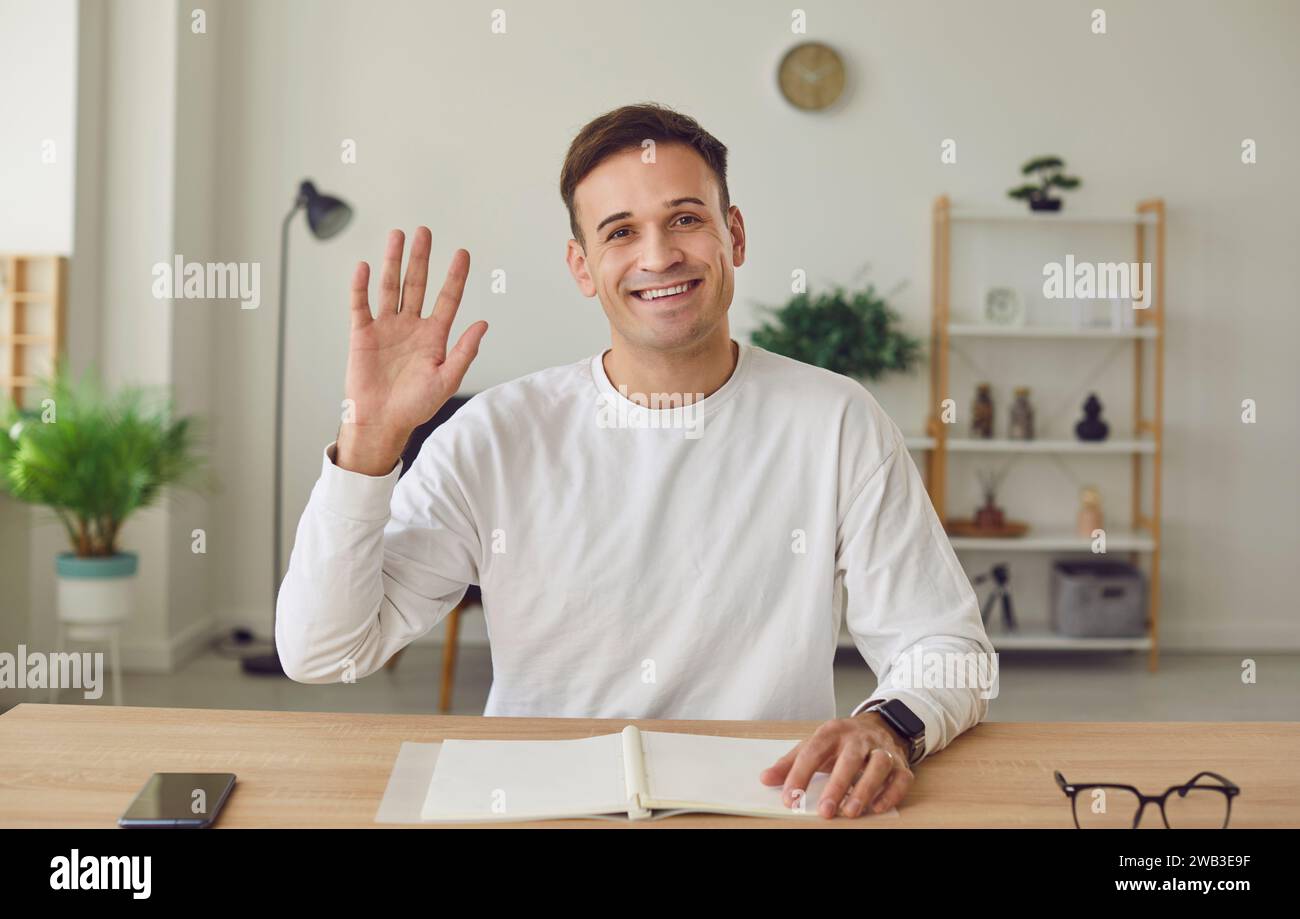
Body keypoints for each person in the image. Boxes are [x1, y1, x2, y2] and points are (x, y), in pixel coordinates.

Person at [276, 102, 995, 819]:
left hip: (768, 800)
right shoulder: (495, 434)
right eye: (620, 232)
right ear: (582, 266)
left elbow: (947, 644)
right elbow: (322, 649)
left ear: (732, 235)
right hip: (537, 807)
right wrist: (368, 445)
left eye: (685, 218)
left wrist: (888, 725)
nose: (659, 256)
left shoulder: (836, 420)